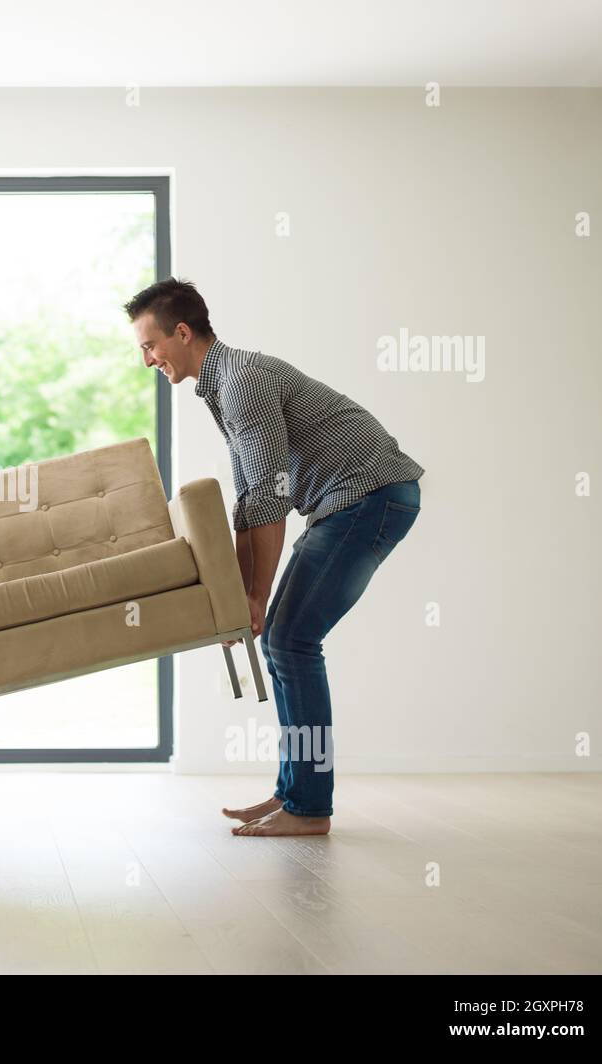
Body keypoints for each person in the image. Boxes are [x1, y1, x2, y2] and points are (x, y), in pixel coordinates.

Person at [125, 278, 424, 837]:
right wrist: (242, 596)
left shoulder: (241, 382)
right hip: (348, 501)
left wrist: (254, 595)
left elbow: (269, 497)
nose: (146, 360)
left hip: (370, 495)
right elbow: (249, 502)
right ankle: (295, 793)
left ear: (182, 332)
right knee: (283, 639)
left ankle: (309, 807)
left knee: (290, 640)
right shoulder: (222, 386)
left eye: (149, 346)